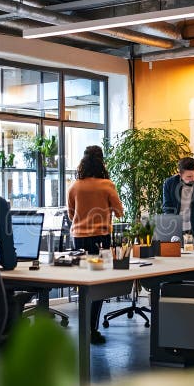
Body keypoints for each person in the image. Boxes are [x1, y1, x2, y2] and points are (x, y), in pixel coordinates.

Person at [67, 145, 124, 345]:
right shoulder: (107, 185)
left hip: (79, 239)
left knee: (83, 282)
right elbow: (119, 211)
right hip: (100, 239)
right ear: (101, 162)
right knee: (98, 284)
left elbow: (71, 213)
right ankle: (92, 329)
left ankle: (83, 328)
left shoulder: (74, 186)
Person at [161, 157, 194, 246]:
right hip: (176, 231)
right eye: (189, 176)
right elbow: (167, 208)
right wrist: (171, 230)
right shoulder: (169, 183)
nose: (193, 179)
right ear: (180, 174)